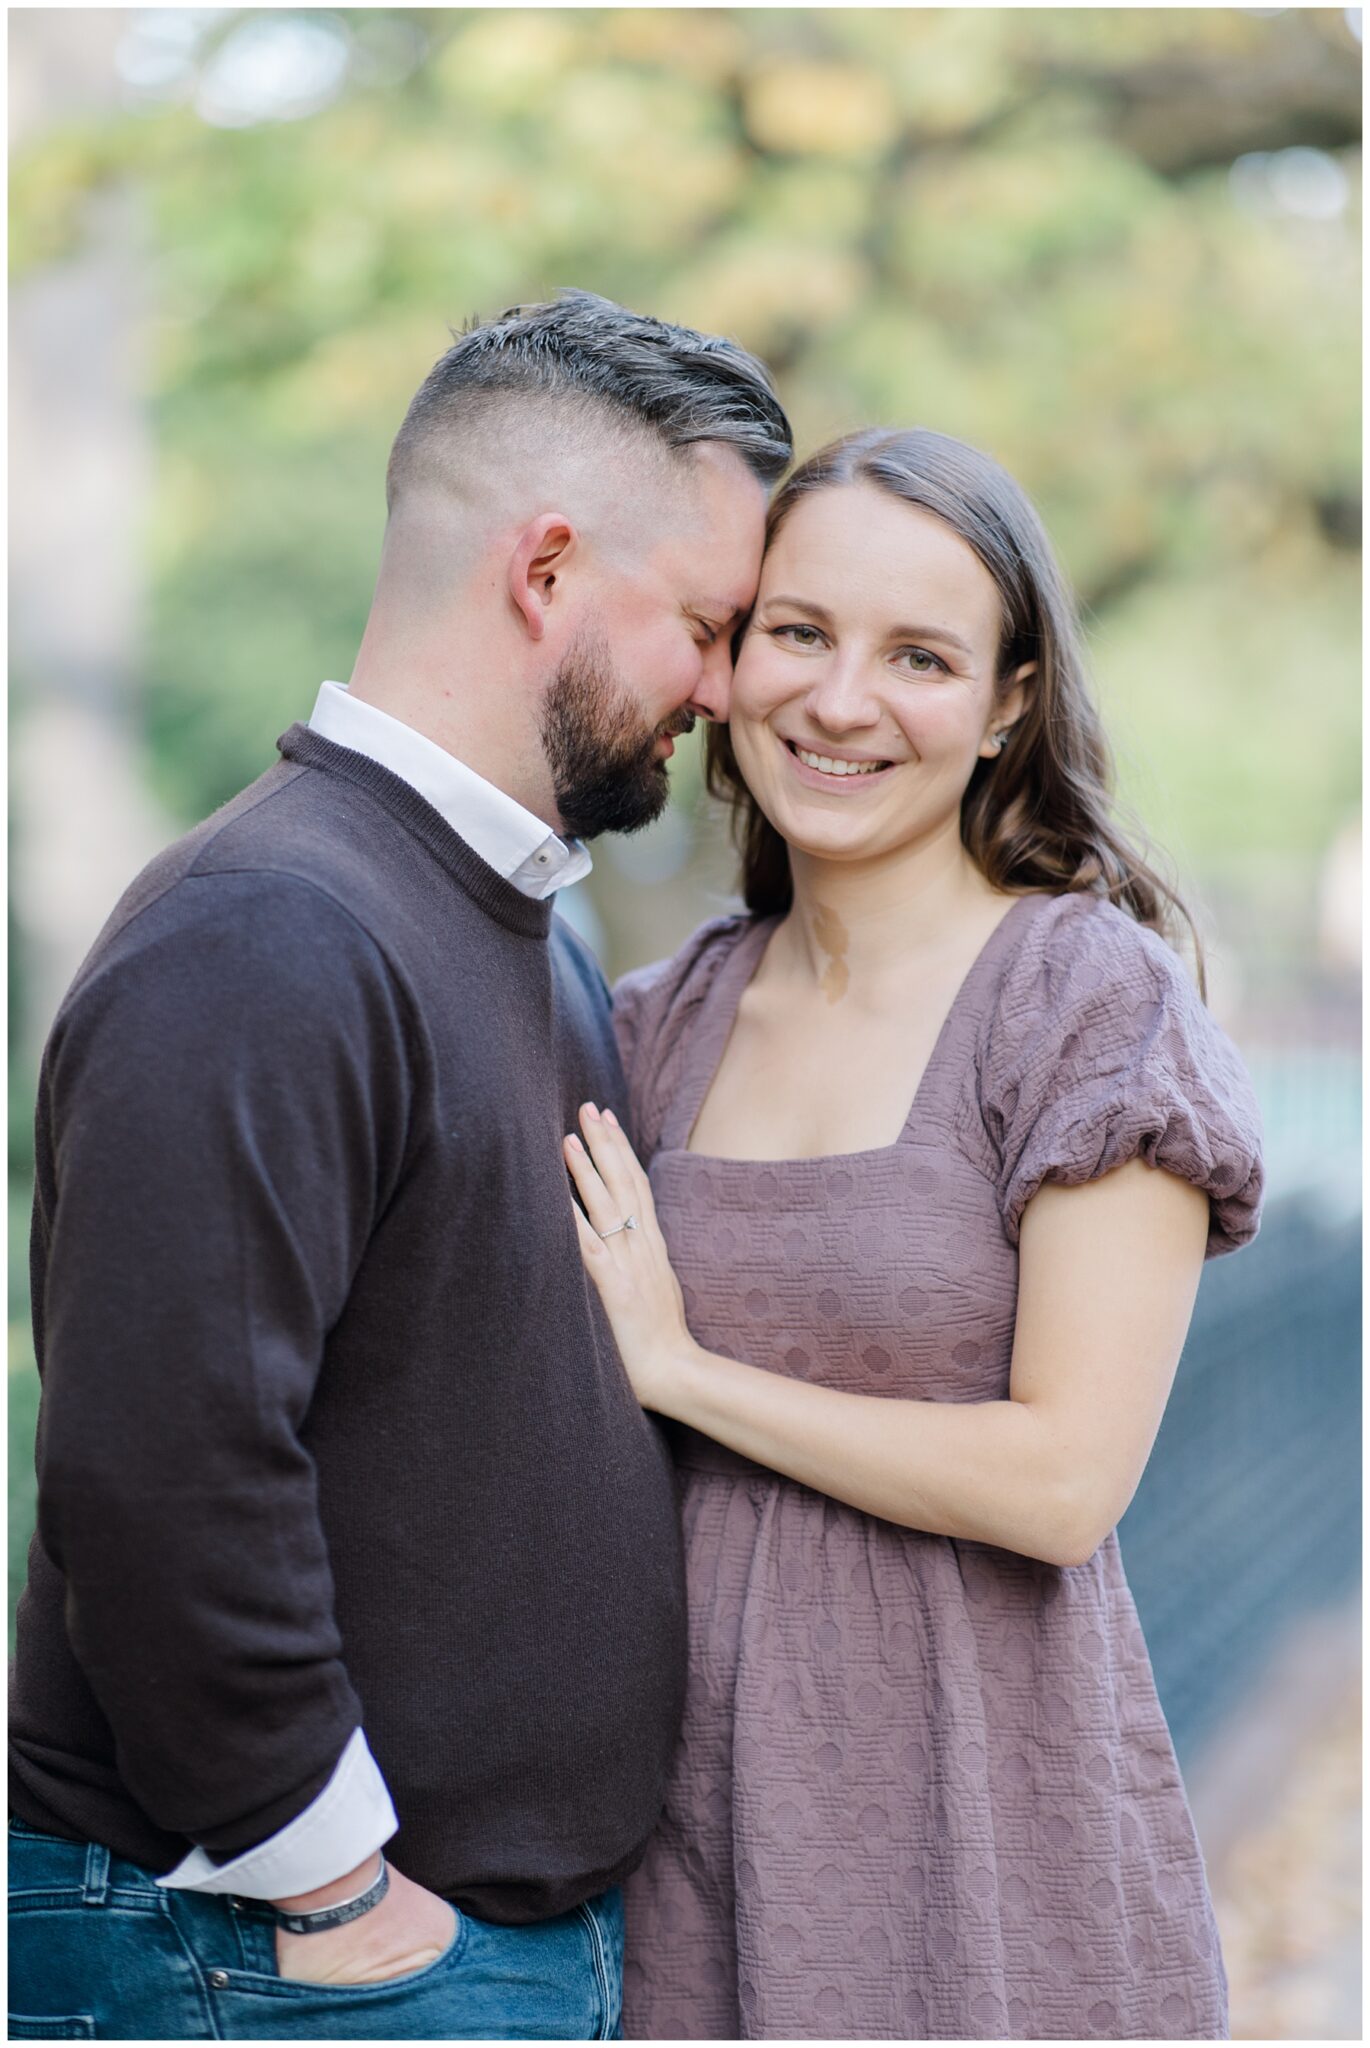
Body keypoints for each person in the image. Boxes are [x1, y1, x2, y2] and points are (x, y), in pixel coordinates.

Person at [8, 292, 791, 2042]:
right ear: (546, 571)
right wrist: (336, 1884)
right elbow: (158, 1462)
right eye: (707, 624)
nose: (730, 690)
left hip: (448, 1957)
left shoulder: (513, 926)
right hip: (274, 1966)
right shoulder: (268, 930)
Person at [562, 427, 1265, 2041]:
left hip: (978, 1829)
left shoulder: (1081, 1005)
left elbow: (1061, 1483)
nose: (839, 701)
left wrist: (680, 1369)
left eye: (919, 656)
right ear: (728, 659)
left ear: (1008, 700)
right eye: (797, 632)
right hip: (687, 1839)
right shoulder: (658, 1023)